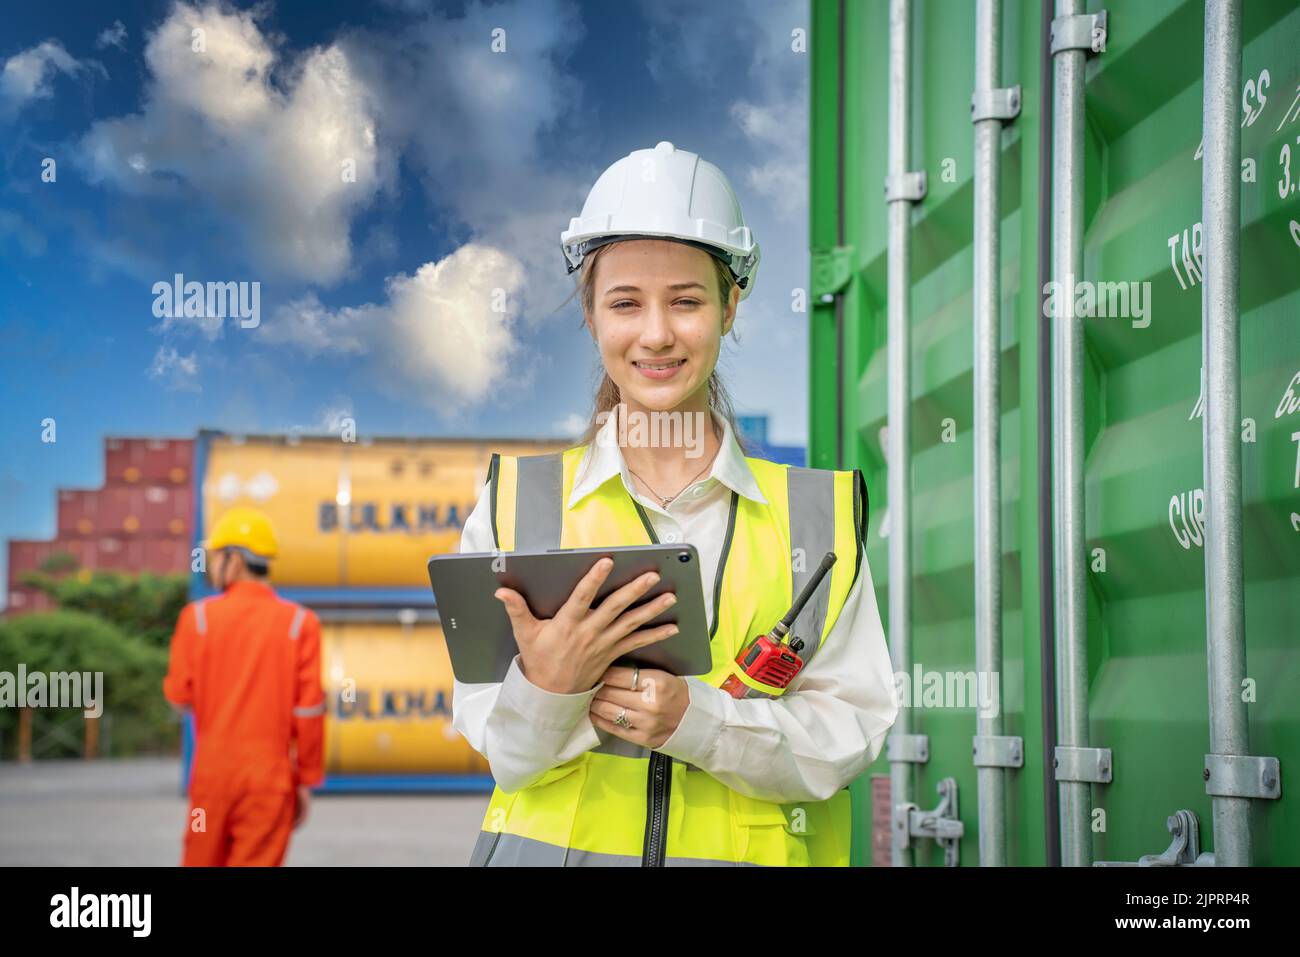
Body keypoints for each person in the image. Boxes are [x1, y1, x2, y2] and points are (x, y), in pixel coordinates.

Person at [452, 141, 899, 866]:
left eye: (686, 300)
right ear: (591, 317)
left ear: (730, 306)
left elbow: (850, 734)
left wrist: (701, 721)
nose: (656, 333)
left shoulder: (814, 521)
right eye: (625, 302)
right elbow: (505, 754)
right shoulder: (516, 505)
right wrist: (547, 686)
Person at [162, 505, 325, 866]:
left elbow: (177, 698)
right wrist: (306, 779)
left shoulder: (198, 618)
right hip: (270, 783)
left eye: (214, 556)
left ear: (234, 560)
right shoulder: (301, 624)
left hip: (211, 782)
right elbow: (310, 711)